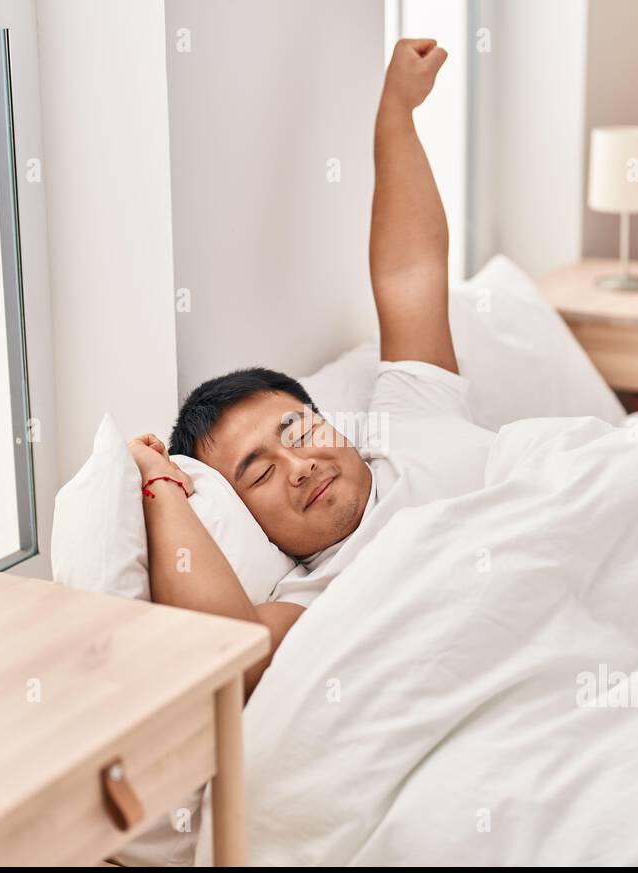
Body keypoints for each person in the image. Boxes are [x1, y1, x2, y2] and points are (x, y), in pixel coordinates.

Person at [128, 39, 493, 698]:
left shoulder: (412, 418)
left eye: (298, 433)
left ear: (335, 426)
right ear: (249, 521)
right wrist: (161, 484)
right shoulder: (314, 595)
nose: (299, 469)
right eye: (261, 473)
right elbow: (226, 654)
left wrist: (397, 113)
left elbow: (411, 271)